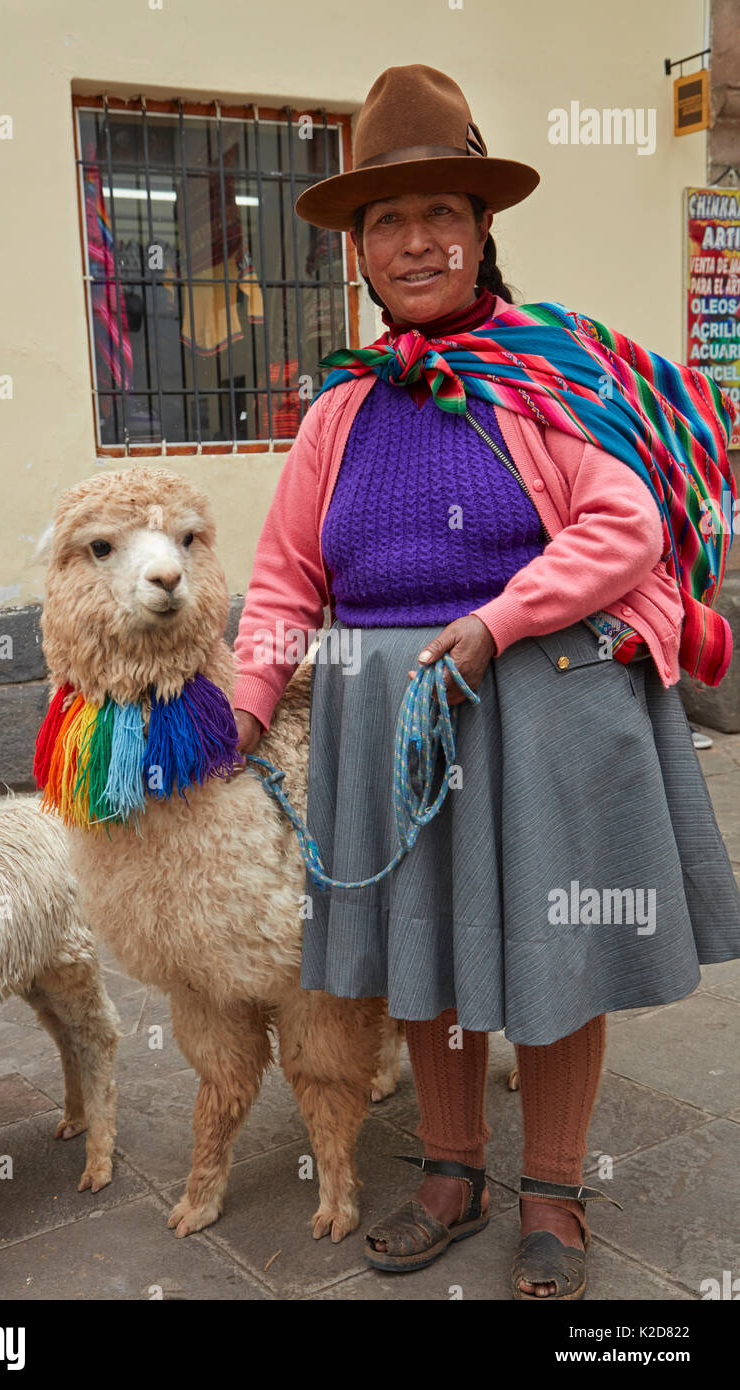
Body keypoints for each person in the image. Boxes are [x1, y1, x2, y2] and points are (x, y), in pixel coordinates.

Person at [229, 64, 740, 1300]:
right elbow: (286, 578)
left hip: (545, 699)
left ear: (480, 232)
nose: (415, 240)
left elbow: (619, 527)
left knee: (557, 945)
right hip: (383, 721)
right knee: (429, 953)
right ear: (358, 249)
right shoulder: (336, 414)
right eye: (387, 221)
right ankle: (451, 1171)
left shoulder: (541, 374)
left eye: (439, 215)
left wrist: (493, 619)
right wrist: (238, 708)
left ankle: (554, 1191)